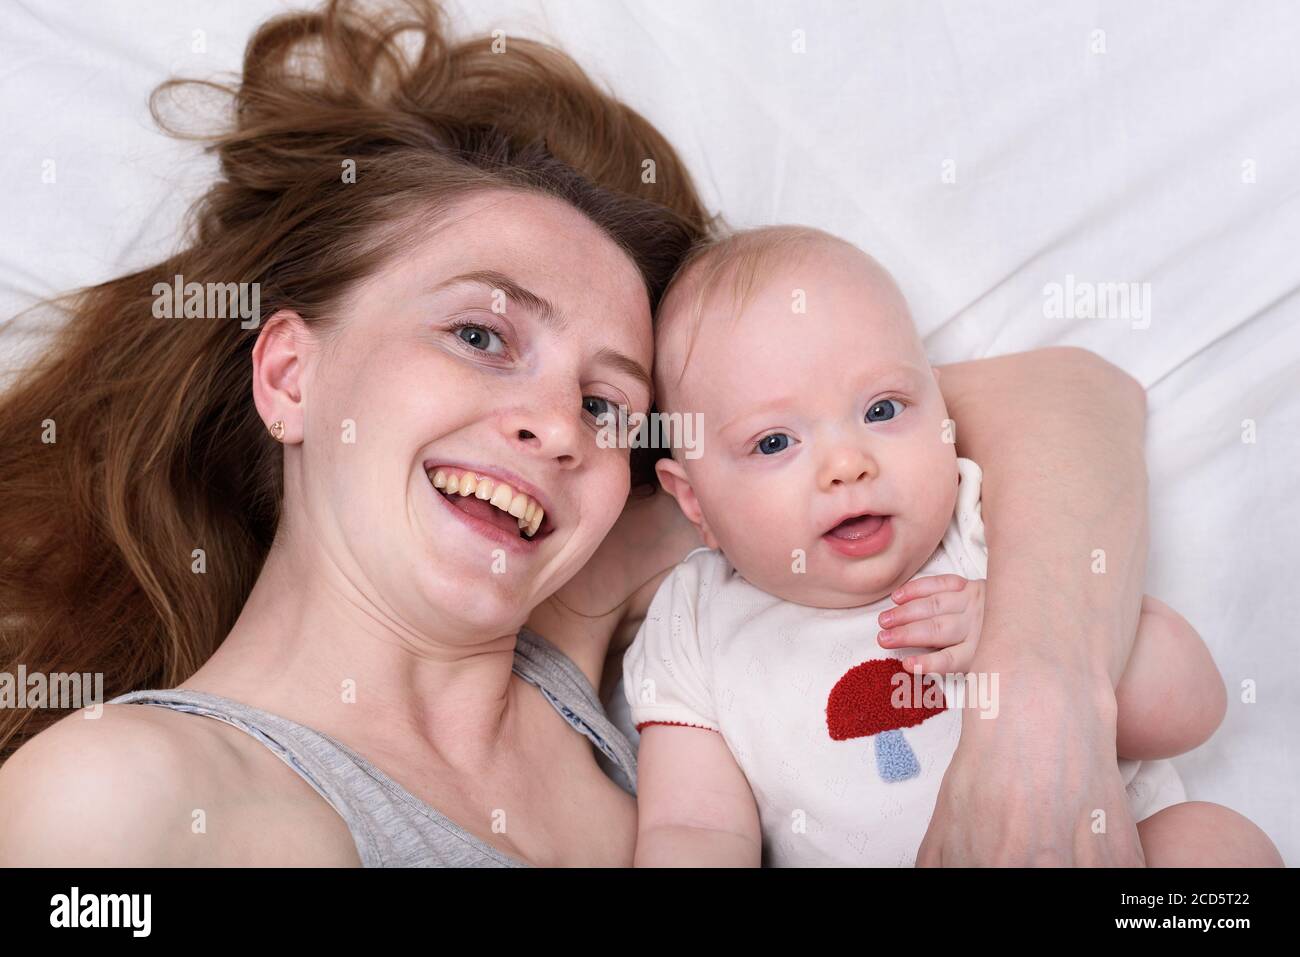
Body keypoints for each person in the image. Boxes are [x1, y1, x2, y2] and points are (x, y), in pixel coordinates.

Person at [0, 0, 1170, 866]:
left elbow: (1064, 396)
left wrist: (1040, 702)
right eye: (480, 334)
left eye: (606, 404)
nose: (557, 427)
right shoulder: (127, 795)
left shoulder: (582, 613)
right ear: (293, 375)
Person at [623, 225, 1281, 866]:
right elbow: (693, 824)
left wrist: (1008, 619)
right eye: (773, 443)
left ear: (943, 408)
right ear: (695, 503)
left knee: (1218, 841)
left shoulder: (989, 527)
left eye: (882, 409)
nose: (847, 463)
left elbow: (1196, 706)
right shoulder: (695, 625)